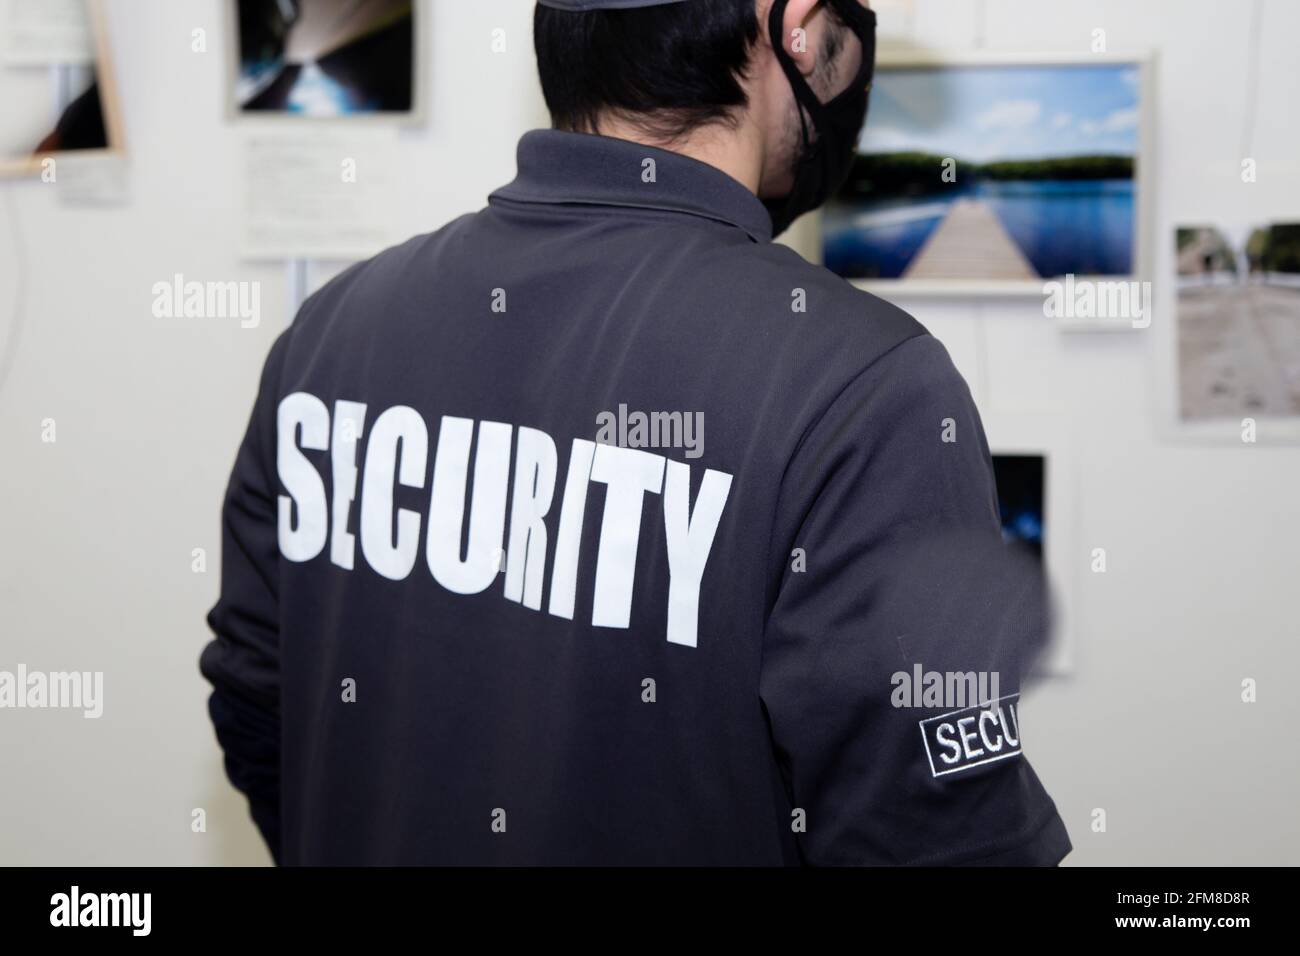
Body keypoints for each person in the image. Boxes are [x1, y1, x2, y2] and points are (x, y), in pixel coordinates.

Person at [200, 0, 1071, 866]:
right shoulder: (863, 387)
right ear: (797, 31)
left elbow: (257, 704)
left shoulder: (334, 331)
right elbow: (936, 845)